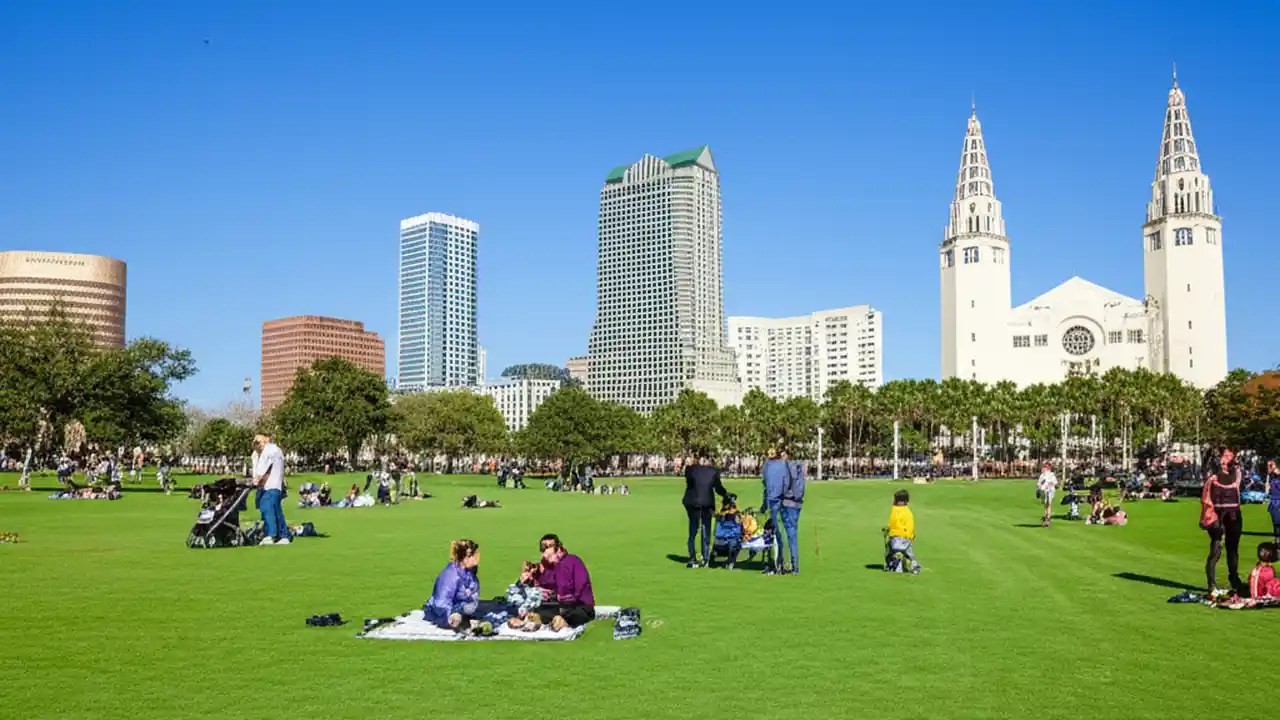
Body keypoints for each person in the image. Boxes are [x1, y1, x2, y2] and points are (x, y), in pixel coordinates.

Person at [528, 534, 595, 631]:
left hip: (579, 605)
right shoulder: (547, 567)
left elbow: (578, 588)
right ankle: (545, 619)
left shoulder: (573, 561)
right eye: (543, 548)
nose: (546, 551)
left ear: (558, 547)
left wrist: (560, 596)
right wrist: (534, 578)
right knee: (540, 609)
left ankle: (559, 621)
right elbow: (545, 587)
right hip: (559, 606)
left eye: (549, 546)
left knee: (572, 613)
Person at [1202, 447, 1243, 591]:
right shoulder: (1213, 476)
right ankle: (1211, 584)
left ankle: (1234, 579)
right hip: (1217, 515)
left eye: (1230, 456)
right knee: (1216, 549)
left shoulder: (1236, 474)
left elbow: (1237, 473)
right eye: (1225, 456)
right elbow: (1206, 497)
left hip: (1233, 514)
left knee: (1233, 549)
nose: (1228, 459)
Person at [423, 539, 485, 631]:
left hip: (460, 607)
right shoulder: (450, 576)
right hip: (441, 612)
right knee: (457, 620)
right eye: (474, 555)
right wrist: (450, 617)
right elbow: (441, 601)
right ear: (465, 557)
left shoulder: (470, 571)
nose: (477, 558)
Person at [682, 454, 729, 568]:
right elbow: (718, 488)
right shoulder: (713, 471)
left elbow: (689, 483)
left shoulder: (691, 470)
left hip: (692, 502)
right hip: (707, 503)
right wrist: (726, 495)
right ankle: (705, 557)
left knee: (693, 530)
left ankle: (692, 556)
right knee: (705, 530)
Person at [252, 434, 291, 546]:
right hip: (275, 485)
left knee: (267, 509)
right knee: (276, 510)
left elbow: (264, 469)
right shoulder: (275, 450)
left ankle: (271, 535)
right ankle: (283, 535)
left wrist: (257, 480)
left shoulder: (270, 451)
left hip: (270, 485)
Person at [761, 448, 790, 574]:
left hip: (770, 500)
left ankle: (773, 562)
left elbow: (764, 484)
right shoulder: (783, 465)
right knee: (779, 533)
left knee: (772, 532)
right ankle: (779, 563)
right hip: (780, 500)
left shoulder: (766, 466)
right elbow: (786, 483)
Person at [781, 452, 806, 574]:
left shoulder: (786, 469)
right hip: (798, 504)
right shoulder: (799, 467)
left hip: (787, 503)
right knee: (793, 535)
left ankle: (783, 563)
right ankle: (795, 565)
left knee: (783, 534)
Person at [886, 489, 920, 573]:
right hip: (905, 537)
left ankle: (895, 565)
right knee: (909, 554)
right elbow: (910, 526)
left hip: (894, 537)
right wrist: (911, 537)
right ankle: (913, 566)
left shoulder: (894, 510)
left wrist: (888, 531)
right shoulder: (907, 512)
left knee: (891, 552)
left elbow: (892, 524)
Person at [1266, 460, 1280, 546]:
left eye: (1270, 465)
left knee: (1278, 523)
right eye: (1268, 466)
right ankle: (1277, 540)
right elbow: (1268, 489)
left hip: (1278, 501)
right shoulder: (1270, 476)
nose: (1269, 467)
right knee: (1276, 523)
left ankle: (1278, 540)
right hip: (1273, 501)